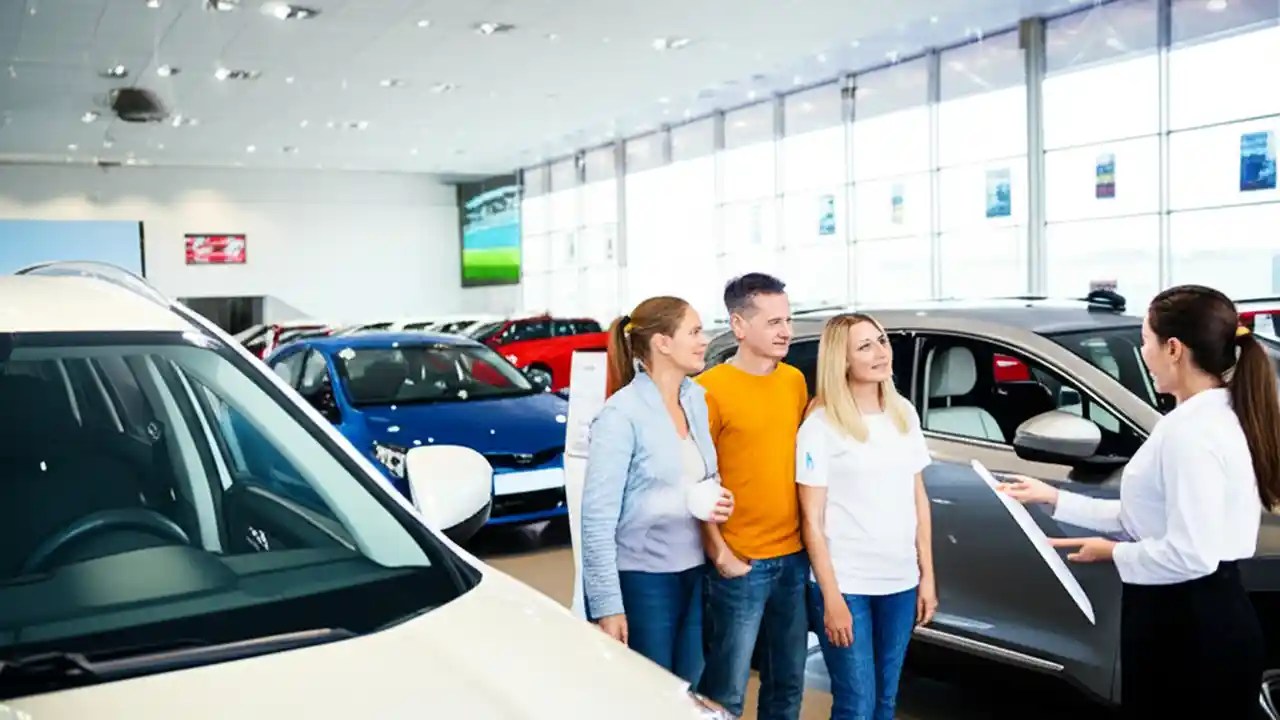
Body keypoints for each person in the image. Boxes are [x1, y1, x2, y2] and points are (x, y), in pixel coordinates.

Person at [999, 284, 1280, 719]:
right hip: (1204, 614)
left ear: (1173, 349)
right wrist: (1056, 499)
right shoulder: (1216, 415)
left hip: (1187, 625)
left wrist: (1112, 552)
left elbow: (1191, 555)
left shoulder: (1192, 434)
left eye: (1145, 341)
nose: (1142, 352)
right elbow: (1155, 515)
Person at [580, 295, 735, 686]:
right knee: (650, 693)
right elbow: (596, 521)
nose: (705, 340)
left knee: (688, 690)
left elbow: (702, 475)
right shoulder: (620, 415)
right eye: (695, 331)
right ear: (663, 343)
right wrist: (607, 606)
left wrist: (716, 498)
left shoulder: (695, 399)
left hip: (693, 571)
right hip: (643, 580)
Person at [795, 313, 936, 720]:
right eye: (865, 346)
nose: (880, 352)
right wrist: (832, 597)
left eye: (881, 341)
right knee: (856, 704)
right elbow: (812, 522)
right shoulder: (819, 426)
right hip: (847, 584)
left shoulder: (903, 414)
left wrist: (926, 575)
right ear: (842, 359)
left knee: (885, 702)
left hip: (900, 581)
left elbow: (918, 500)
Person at [695, 273, 810, 720]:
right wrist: (719, 552)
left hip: (794, 558)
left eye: (788, 319)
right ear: (739, 326)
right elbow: (697, 481)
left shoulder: (795, 381)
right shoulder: (708, 389)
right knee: (726, 691)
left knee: (788, 685)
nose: (786, 331)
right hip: (739, 561)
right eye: (774, 322)